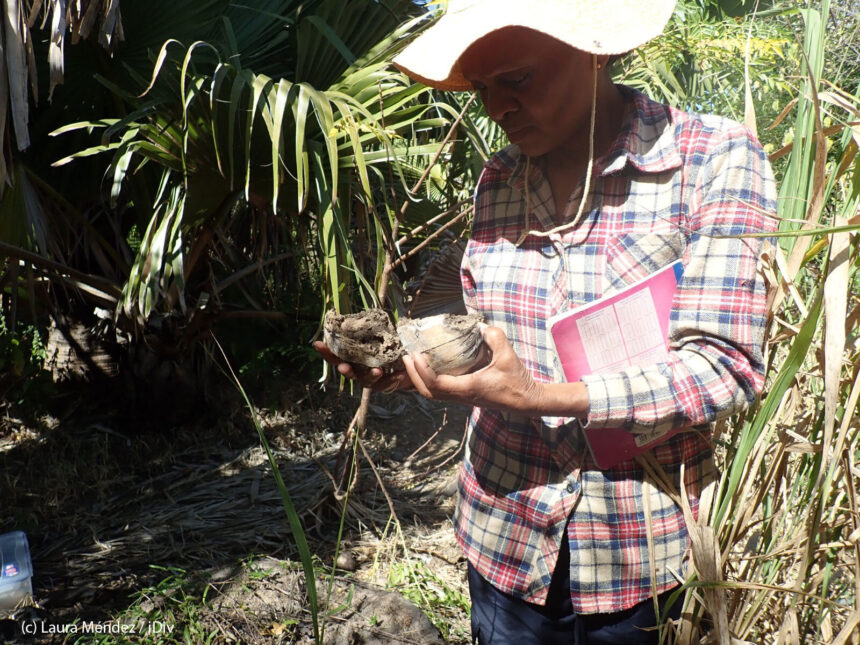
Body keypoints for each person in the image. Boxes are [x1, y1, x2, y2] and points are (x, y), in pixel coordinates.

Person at [315, 1, 777, 642]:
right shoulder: (498, 181)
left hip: (637, 557)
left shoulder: (709, 160)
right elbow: (483, 340)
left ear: (594, 51)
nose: (497, 108)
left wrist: (540, 398)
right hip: (504, 534)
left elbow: (723, 367)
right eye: (482, 89)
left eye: (518, 79)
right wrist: (406, 370)